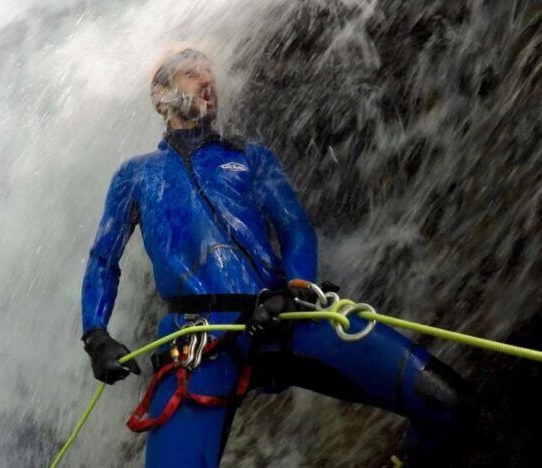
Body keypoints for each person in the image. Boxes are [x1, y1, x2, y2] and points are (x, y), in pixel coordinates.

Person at [80, 47, 472, 467]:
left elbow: (295, 228)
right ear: (161, 97)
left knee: (446, 400)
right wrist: (96, 334)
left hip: (280, 314)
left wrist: (298, 286)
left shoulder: (251, 157)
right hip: (197, 339)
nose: (208, 80)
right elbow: (104, 258)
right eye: (192, 73)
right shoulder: (136, 175)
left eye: (210, 73)